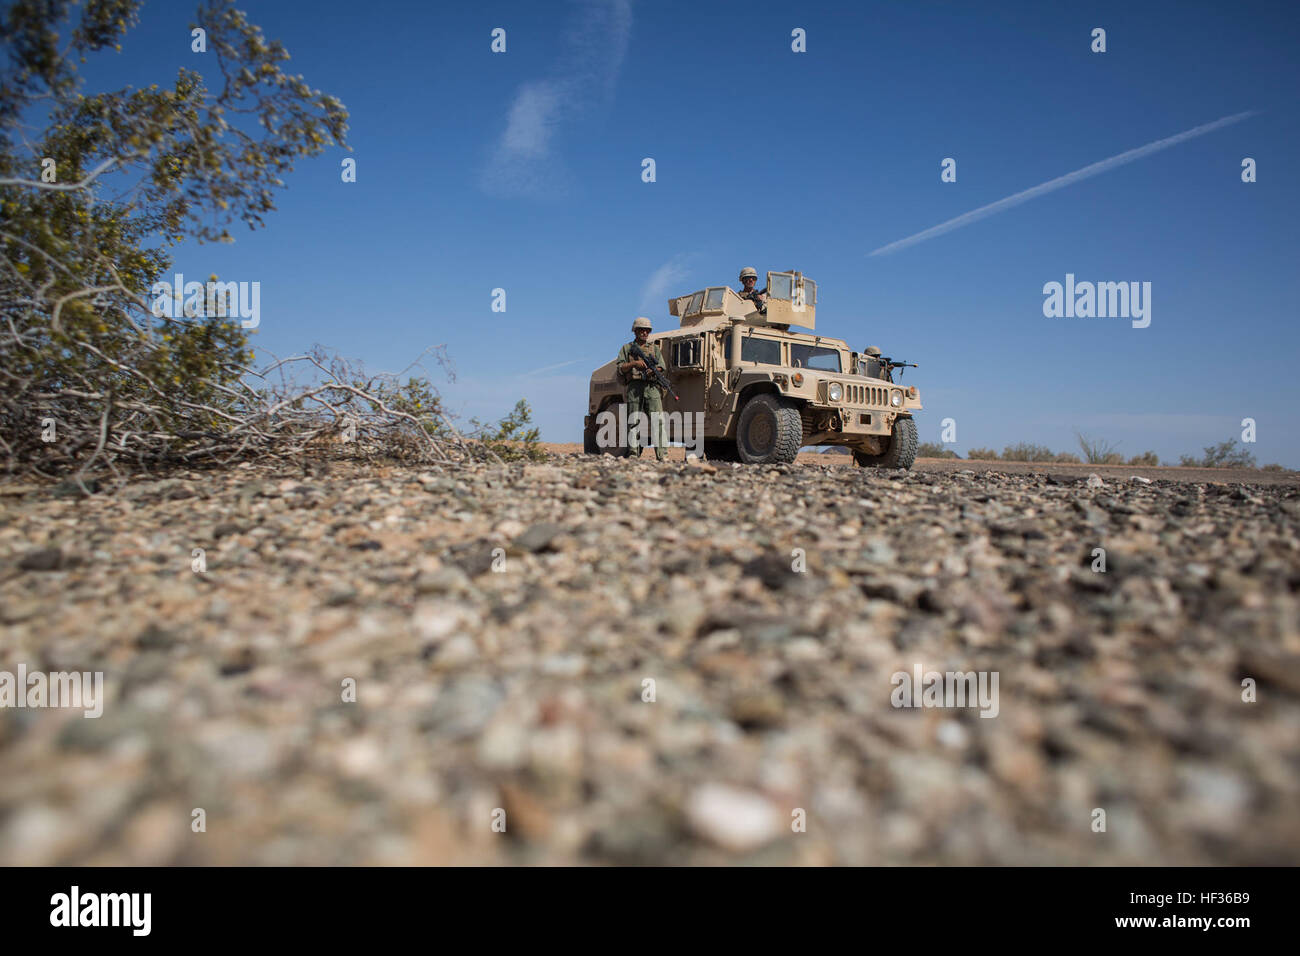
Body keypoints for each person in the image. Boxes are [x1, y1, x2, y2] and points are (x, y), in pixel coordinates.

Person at [615, 317, 667, 461]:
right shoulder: (627, 348)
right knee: (633, 421)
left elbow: (662, 366)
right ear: (635, 331)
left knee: (658, 421)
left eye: (647, 330)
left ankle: (662, 454)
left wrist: (653, 370)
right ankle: (633, 453)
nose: (644, 332)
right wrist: (634, 364)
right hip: (635, 387)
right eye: (641, 330)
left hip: (651, 387)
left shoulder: (654, 348)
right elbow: (620, 367)